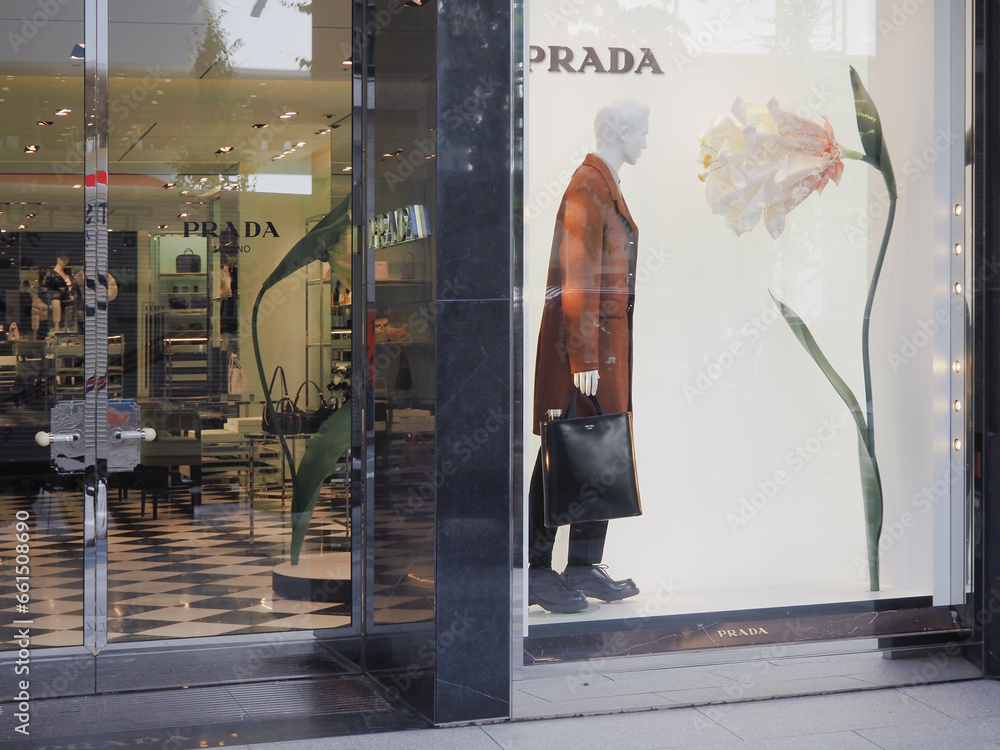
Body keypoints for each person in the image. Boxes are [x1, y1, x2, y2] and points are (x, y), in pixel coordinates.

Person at [529, 101, 649, 613]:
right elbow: (577, 279)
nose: (646, 142)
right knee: (566, 452)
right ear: (621, 132)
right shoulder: (588, 186)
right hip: (589, 354)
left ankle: (582, 565)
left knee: (596, 453)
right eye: (642, 132)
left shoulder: (605, 185)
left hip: (605, 351)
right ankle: (535, 570)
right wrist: (582, 361)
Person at [36, 254, 78, 335]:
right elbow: (43, 292)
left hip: (70, 317)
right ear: (57, 258)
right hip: (55, 317)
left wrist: (73, 296)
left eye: (66, 258)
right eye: (62, 257)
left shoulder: (69, 275)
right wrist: (58, 297)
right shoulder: (49, 274)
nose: (64, 260)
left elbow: (76, 292)